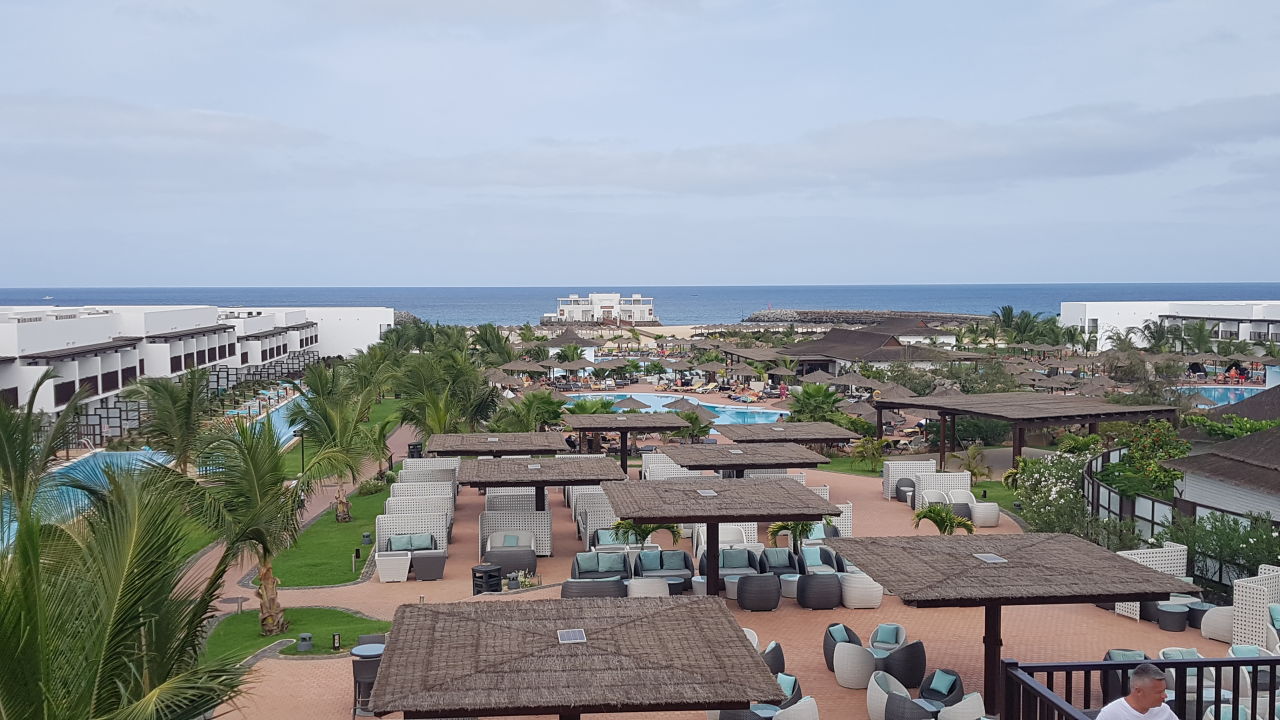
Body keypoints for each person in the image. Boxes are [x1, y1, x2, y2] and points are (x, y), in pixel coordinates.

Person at [1096, 663, 1175, 720]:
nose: (1165, 696)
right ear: (1138, 691)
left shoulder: (1164, 710)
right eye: (1159, 692)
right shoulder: (1110, 714)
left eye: (1164, 690)